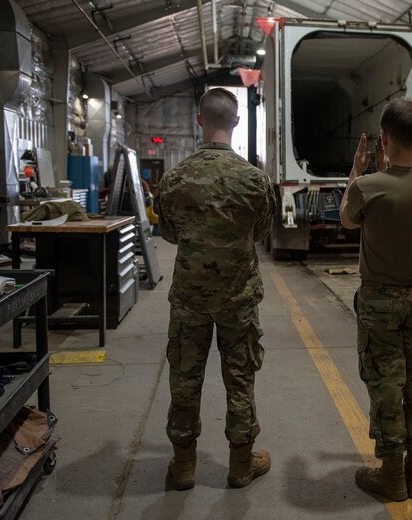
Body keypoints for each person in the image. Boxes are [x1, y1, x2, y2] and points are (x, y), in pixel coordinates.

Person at [154, 88, 276, 491]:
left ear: (199, 120)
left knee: (185, 379)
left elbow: (169, 234)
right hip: (238, 299)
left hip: (190, 298)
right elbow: (261, 233)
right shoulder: (255, 180)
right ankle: (240, 464)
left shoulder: (175, 179)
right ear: (236, 122)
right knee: (240, 379)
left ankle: (184, 466)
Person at [339, 98, 412, 501]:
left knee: (387, 387)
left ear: (383, 139)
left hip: (380, 303)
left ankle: (391, 477)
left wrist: (358, 170)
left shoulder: (368, 187)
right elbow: (408, 204)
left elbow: (347, 218)